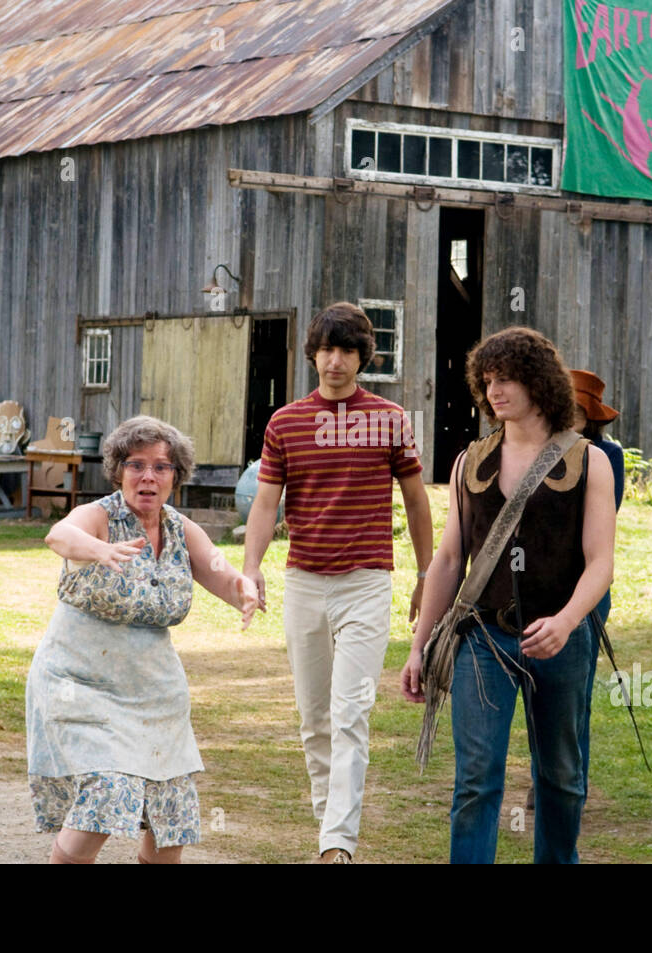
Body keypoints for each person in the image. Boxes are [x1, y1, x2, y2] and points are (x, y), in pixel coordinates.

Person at [402, 327, 616, 864]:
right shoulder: (469, 462)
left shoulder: (591, 462)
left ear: (538, 381)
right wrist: (419, 646)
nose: (495, 390)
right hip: (483, 639)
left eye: (508, 378)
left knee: (562, 778)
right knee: (476, 782)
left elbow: (601, 564)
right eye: (488, 379)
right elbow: (449, 561)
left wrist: (566, 621)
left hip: (560, 639)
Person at [243, 301, 433, 864]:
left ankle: (336, 845)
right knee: (314, 719)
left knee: (350, 713)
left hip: (366, 583)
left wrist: (426, 575)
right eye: (326, 349)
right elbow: (264, 504)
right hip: (303, 582)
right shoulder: (286, 422)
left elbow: (417, 501)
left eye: (347, 350)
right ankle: (329, 821)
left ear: (362, 358)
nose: (335, 361)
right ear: (313, 354)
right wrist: (250, 570)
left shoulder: (390, 418)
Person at [26, 415, 258, 864]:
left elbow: (219, 572)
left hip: (154, 694)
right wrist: (101, 550)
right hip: (82, 686)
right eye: (136, 465)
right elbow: (60, 534)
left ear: (176, 476)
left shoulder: (180, 529)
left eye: (160, 467)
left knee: (170, 818)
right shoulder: (98, 517)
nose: (148, 476)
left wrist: (243, 589)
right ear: (118, 471)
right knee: (107, 791)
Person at [524, 368, 624, 811]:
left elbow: (601, 517)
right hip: (539, 582)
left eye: (579, 414)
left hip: (585, 582)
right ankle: (540, 777)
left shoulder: (605, 455)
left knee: (574, 690)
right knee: (535, 685)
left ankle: (570, 779)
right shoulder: (534, 449)